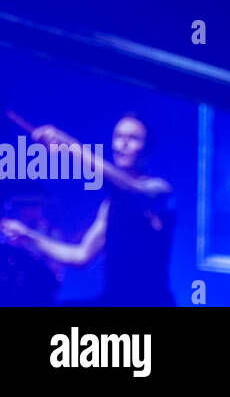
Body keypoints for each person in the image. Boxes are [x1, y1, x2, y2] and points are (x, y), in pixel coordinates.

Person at [0, 113, 176, 307]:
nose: (123, 144)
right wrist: (27, 236)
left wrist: (69, 146)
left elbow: (129, 190)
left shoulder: (159, 192)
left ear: (147, 149)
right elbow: (81, 256)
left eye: (133, 138)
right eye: (118, 137)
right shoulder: (109, 207)